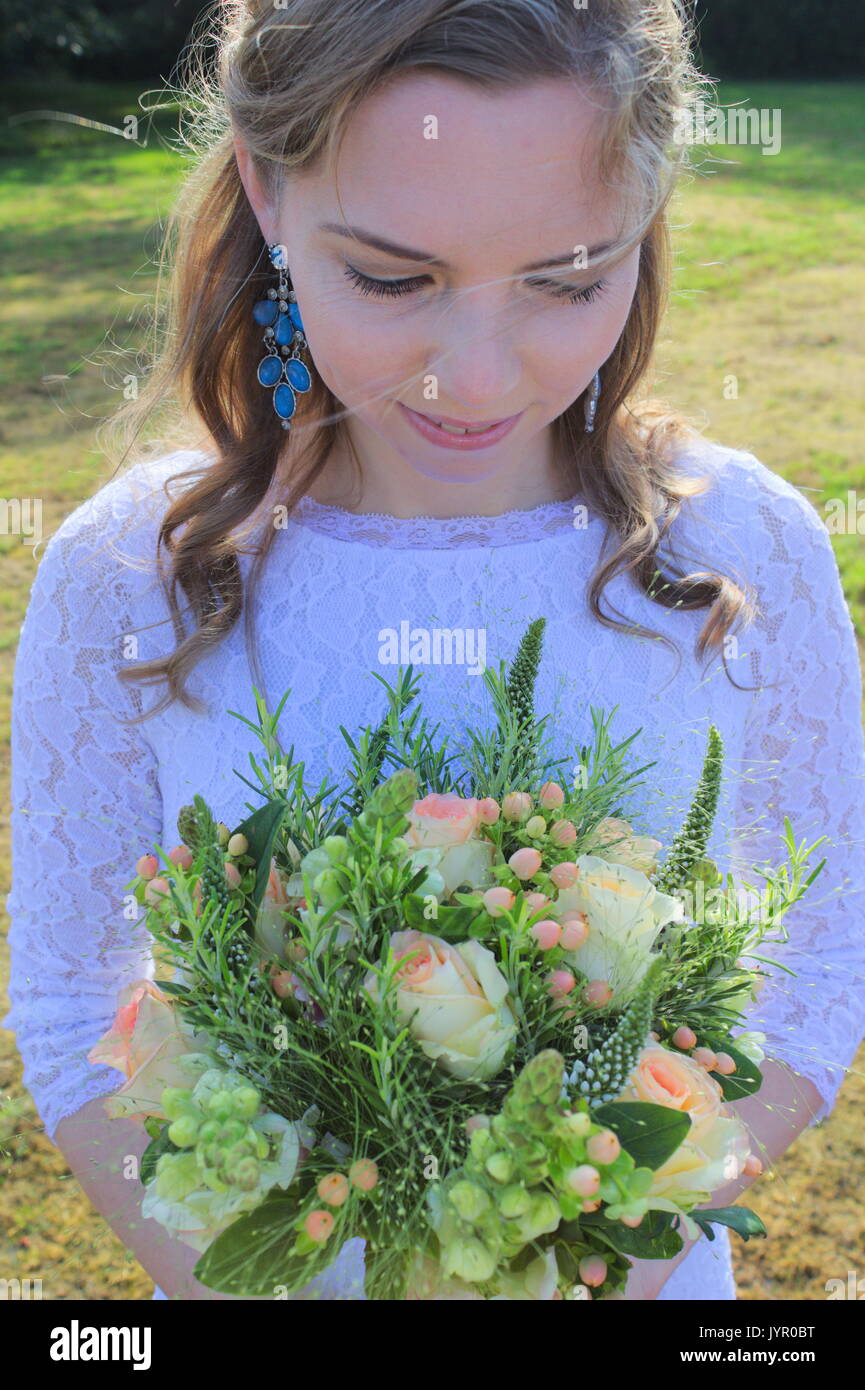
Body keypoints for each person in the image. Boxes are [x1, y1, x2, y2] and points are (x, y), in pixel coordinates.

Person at [5, 0, 864, 1302]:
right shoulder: (138, 573)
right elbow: (75, 1018)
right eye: (393, 278)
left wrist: (599, 1249)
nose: (475, 375)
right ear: (265, 185)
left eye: (569, 279)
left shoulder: (741, 552)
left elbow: (813, 975)